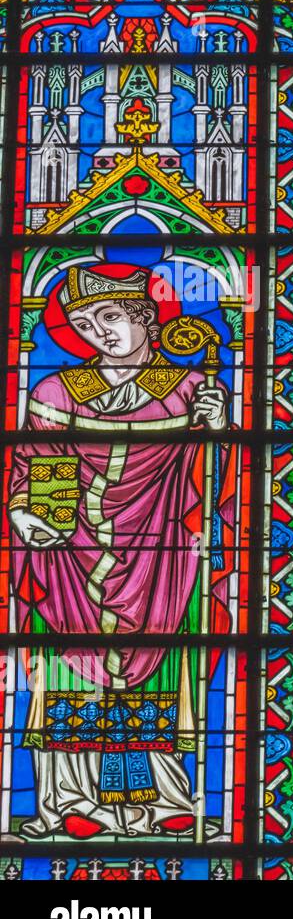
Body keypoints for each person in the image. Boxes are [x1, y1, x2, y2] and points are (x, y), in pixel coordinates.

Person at [7, 263, 230, 839]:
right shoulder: (56, 392)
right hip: (70, 560)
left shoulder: (188, 389)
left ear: (145, 318)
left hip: (159, 557)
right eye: (83, 322)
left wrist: (216, 433)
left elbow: (208, 488)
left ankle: (154, 798)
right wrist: (33, 517)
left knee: (151, 669)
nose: (98, 332)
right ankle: (72, 802)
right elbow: (39, 469)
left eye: (109, 316)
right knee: (70, 669)